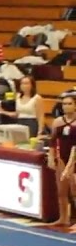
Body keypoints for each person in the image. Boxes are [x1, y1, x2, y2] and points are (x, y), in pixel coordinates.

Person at [49, 94, 76, 226]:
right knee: (62, 191)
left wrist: (71, 163)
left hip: (74, 158)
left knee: (75, 190)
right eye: (64, 104)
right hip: (62, 158)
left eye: (69, 104)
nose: (66, 106)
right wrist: (51, 156)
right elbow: (52, 141)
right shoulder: (58, 122)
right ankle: (63, 218)